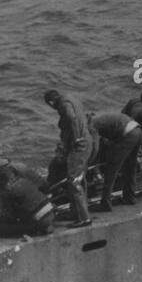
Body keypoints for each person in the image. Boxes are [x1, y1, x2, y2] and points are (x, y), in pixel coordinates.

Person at [42, 91, 92, 226]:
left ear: (51, 102)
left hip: (80, 146)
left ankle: (84, 218)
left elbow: (71, 118)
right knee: (79, 180)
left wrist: (76, 138)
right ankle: (78, 212)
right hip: (86, 142)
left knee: (74, 182)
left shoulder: (63, 104)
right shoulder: (71, 98)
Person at [87, 111, 142, 209]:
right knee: (131, 167)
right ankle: (130, 197)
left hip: (128, 135)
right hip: (138, 131)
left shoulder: (92, 124)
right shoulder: (102, 117)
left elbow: (95, 148)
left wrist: (89, 162)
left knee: (111, 169)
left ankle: (105, 203)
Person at [0, 159, 55, 235]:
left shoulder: (21, 172)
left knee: (5, 228)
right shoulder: (21, 180)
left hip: (37, 216)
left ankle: (38, 226)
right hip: (50, 211)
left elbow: (43, 185)